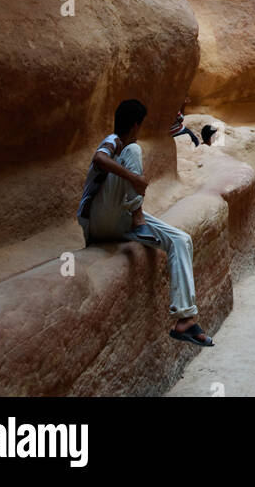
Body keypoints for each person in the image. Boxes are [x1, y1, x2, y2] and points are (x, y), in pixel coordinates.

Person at [77, 98, 213, 346]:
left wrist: (133, 182)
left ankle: (185, 319)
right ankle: (138, 216)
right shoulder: (115, 140)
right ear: (136, 124)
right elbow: (98, 159)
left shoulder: (124, 148)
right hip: (97, 219)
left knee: (181, 240)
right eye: (140, 126)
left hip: (118, 221)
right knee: (134, 151)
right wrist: (133, 178)